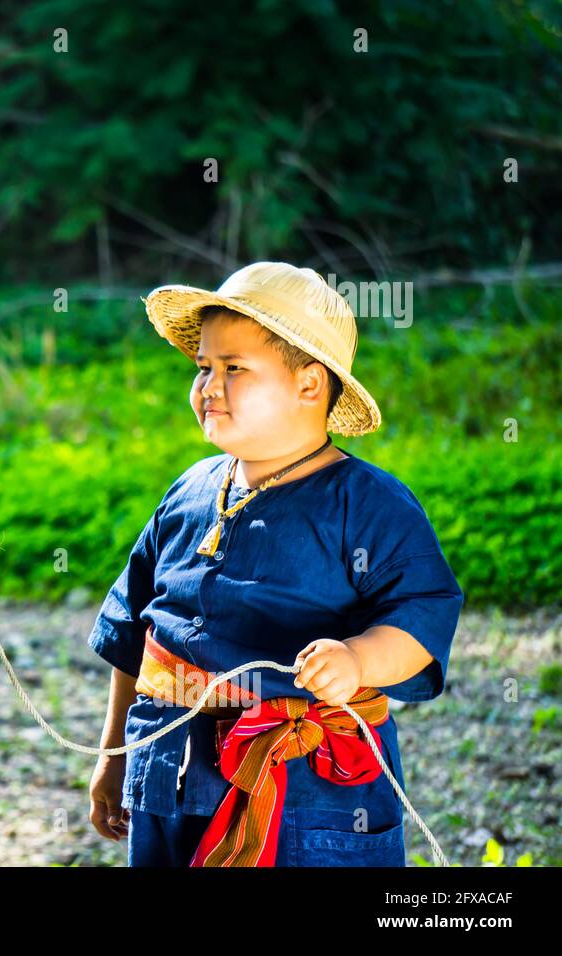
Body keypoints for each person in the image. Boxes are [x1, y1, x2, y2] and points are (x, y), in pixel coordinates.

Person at [86, 262, 464, 866]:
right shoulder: (188, 490)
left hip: (313, 790)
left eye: (234, 368)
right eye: (204, 367)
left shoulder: (367, 504)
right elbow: (134, 632)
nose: (209, 386)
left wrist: (359, 658)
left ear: (310, 385)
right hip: (171, 773)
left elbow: (423, 614)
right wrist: (113, 757)